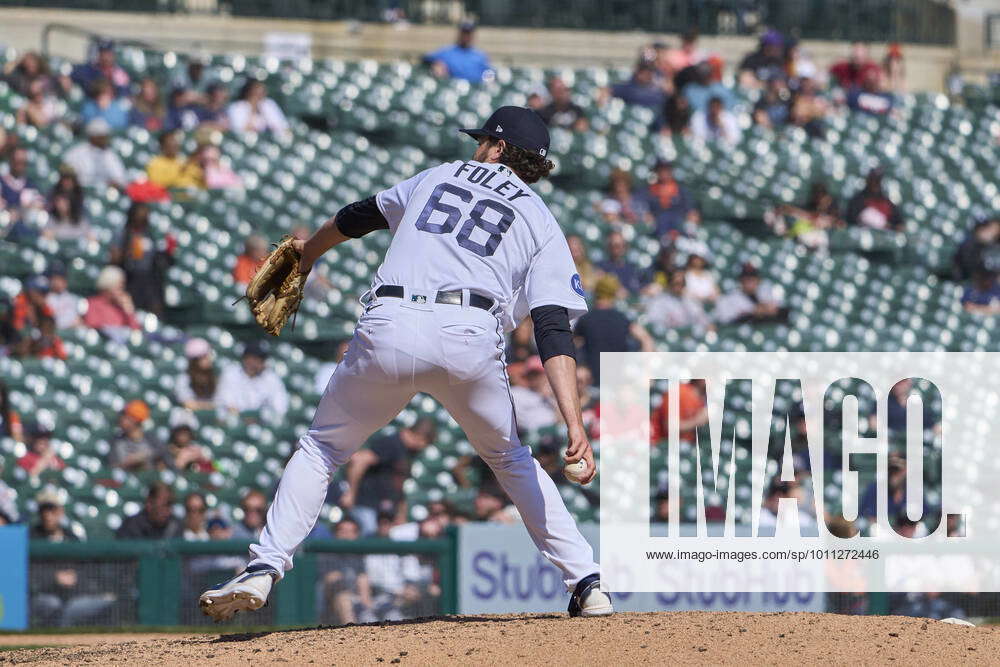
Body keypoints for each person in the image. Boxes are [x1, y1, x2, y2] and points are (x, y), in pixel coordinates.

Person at [200, 105, 613, 621]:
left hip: (390, 323)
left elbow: (360, 215)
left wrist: (308, 252)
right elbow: (552, 328)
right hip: (469, 333)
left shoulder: (440, 176)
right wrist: (575, 422)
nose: (476, 146)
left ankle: (264, 568)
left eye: (484, 139)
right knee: (510, 460)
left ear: (500, 147)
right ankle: (587, 584)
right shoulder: (541, 220)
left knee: (322, 448)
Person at [339, 418, 436, 534]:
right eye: (425, 443)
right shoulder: (392, 443)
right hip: (366, 503)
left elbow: (400, 484)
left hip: (387, 511)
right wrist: (350, 492)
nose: (423, 447)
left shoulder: (408, 452)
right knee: (368, 537)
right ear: (420, 437)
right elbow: (359, 460)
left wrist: (401, 514)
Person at [573, 274, 654, 384]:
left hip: (593, 381)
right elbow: (646, 339)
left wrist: (580, 366)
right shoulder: (622, 319)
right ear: (614, 294)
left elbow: (573, 345)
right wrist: (646, 372)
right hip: (618, 382)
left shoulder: (585, 319)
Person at [109, 202, 175, 316]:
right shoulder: (123, 233)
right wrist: (127, 249)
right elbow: (114, 259)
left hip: (150, 279)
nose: (143, 217)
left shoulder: (150, 233)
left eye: (145, 214)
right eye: (140, 214)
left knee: (155, 308)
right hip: (130, 277)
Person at [213, 341, 289, 419]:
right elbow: (226, 404)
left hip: (262, 423)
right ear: (245, 358)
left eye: (262, 359)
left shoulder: (272, 378)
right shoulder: (231, 373)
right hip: (233, 421)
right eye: (254, 358)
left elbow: (280, 408)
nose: (258, 362)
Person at [62, 118, 127, 190]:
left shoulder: (110, 155)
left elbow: (121, 180)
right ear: (92, 136)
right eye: (100, 136)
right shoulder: (77, 152)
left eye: (105, 136)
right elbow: (67, 172)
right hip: (81, 192)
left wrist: (113, 184)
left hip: (104, 194)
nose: (104, 140)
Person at [714, 262, 787, 325]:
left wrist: (764, 309)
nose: (750, 281)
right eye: (746, 278)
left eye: (752, 278)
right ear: (741, 280)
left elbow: (778, 308)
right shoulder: (732, 297)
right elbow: (727, 320)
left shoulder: (766, 290)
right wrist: (755, 311)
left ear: (758, 279)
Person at [643, 160, 697, 240]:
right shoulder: (649, 191)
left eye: (666, 170)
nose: (664, 173)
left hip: (679, 226)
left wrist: (691, 220)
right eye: (661, 170)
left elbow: (691, 212)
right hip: (659, 227)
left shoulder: (681, 191)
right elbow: (645, 211)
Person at [83, 265, 141, 339]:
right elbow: (93, 328)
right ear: (108, 285)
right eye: (119, 286)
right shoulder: (93, 304)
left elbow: (136, 332)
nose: (122, 290)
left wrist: (129, 311)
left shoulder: (122, 307)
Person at [644, 268, 712, 331]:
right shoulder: (659, 301)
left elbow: (701, 318)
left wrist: (708, 326)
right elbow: (654, 323)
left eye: (682, 284)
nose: (679, 287)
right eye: (676, 284)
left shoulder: (689, 301)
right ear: (669, 284)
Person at [424, 21, 492, 83]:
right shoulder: (447, 52)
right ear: (459, 34)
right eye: (464, 33)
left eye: (468, 33)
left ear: (473, 35)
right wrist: (436, 64)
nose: (466, 36)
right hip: (452, 89)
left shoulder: (480, 56)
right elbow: (426, 58)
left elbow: (489, 74)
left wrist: (487, 81)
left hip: (474, 90)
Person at [110, 399, 168, 471]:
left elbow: (164, 456)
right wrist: (130, 462)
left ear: (135, 420)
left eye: (125, 416)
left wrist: (143, 456)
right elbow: (113, 468)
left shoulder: (152, 439)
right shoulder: (117, 441)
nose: (121, 419)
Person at [508, 355, 560, 432]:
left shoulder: (550, 396)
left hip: (553, 434)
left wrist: (551, 396)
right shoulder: (517, 393)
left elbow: (561, 421)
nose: (535, 377)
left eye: (539, 374)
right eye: (532, 374)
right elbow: (528, 426)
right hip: (531, 437)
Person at [116, 482, 182, 539]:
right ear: (149, 504)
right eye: (165, 505)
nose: (168, 510)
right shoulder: (132, 526)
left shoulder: (174, 525)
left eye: (170, 505)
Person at [44, 168, 92, 242]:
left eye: (64, 202)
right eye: (58, 201)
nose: (61, 205)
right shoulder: (50, 220)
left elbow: (90, 236)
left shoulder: (81, 220)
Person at [176, 337, 217, 410]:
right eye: (204, 356)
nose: (209, 358)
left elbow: (221, 403)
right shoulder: (183, 379)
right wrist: (211, 405)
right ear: (194, 361)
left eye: (208, 355)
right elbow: (189, 404)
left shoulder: (214, 375)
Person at [596, 231, 642, 295]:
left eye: (620, 245)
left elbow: (639, 289)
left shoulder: (633, 268)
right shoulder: (601, 267)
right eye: (614, 245)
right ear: (608, 247)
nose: (617, 249)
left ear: (626, 247)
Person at [1, 147, 44, 214]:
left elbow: (39, 206)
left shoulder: (31, 186)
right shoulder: (2, 182)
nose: (20, 165)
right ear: (11, 161)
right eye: (17, 161)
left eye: (23, 162)